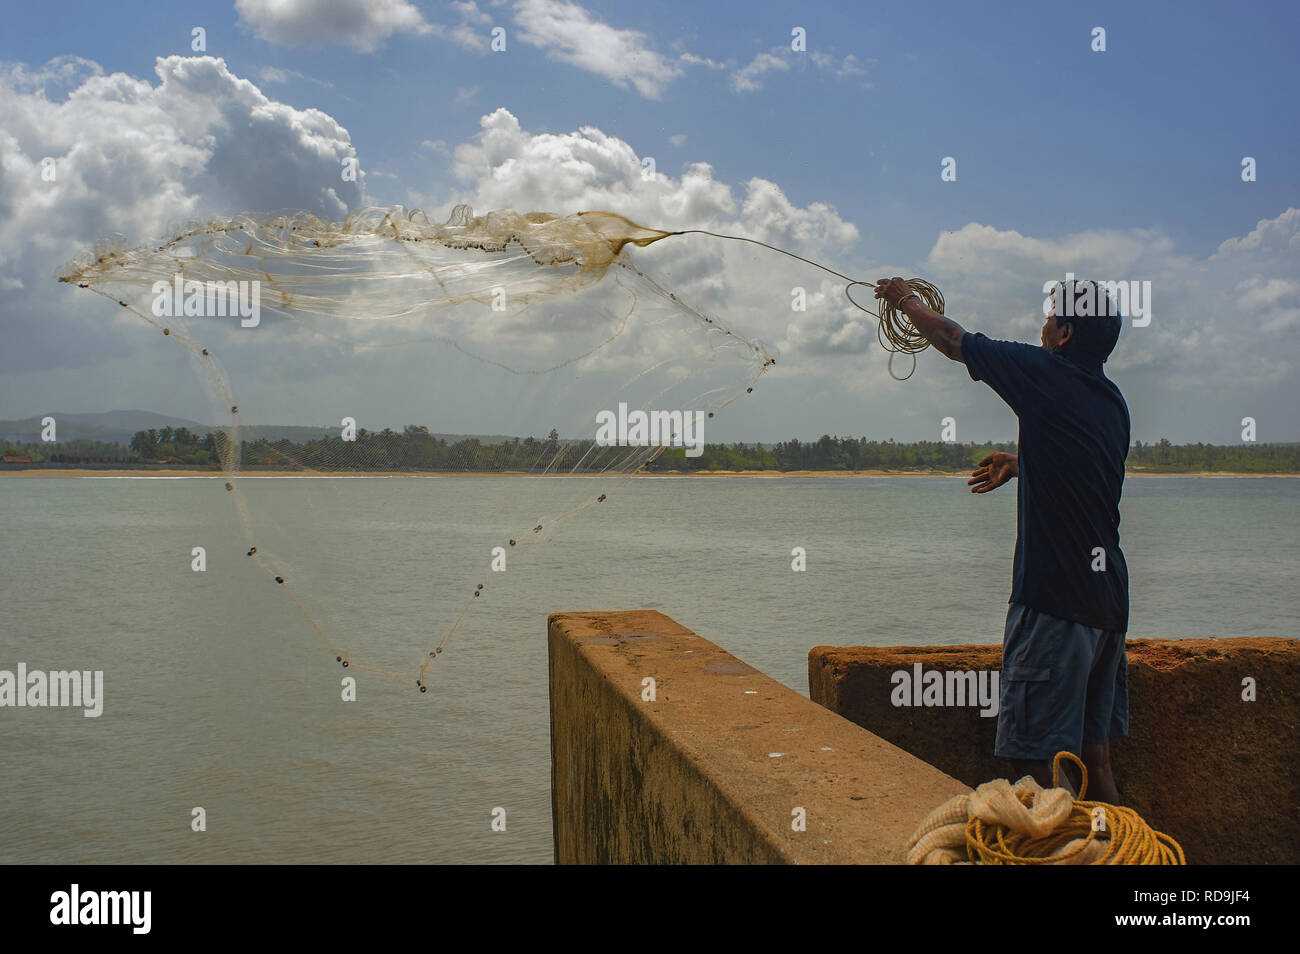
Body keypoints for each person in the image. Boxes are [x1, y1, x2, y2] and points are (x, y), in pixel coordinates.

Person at [873, 276, 1129, 803]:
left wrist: (904, 301)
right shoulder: (1111, 401)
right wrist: (1021, 464)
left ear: (1063, 335)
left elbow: (949, 338)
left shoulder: (1043, 372)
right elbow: (1082, 472)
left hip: (1055, 601)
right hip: (1108, 604)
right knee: (1093, 755)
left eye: (1052, 315)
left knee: (1034, 761)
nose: (1044, 323)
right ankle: (1123, 860)